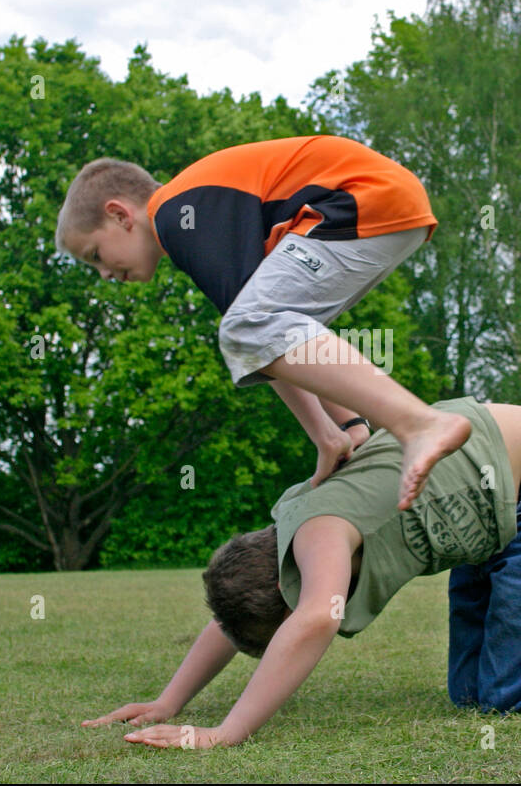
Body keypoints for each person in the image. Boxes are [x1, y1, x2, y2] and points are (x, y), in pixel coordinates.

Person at [81, 397, 521, 748]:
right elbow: (238, 614)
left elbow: (313, 615)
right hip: (490, 518)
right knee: (475, 690)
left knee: (518, 687)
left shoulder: (318, 536)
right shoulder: (287, 530)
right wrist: (172, 702)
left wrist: (227, 731)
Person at [55, 135, 470, 510]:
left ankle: (420, 424)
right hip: (384, 207)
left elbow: (251, 327)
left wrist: (330, 432)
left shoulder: (175, 212)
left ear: (119, 215)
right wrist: (339, 431)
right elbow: (271, 344)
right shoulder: (191, 213)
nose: (105, 275)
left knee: (246, 325)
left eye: (94, 255)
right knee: (257, 328)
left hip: (359, 200)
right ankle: (387, 426)